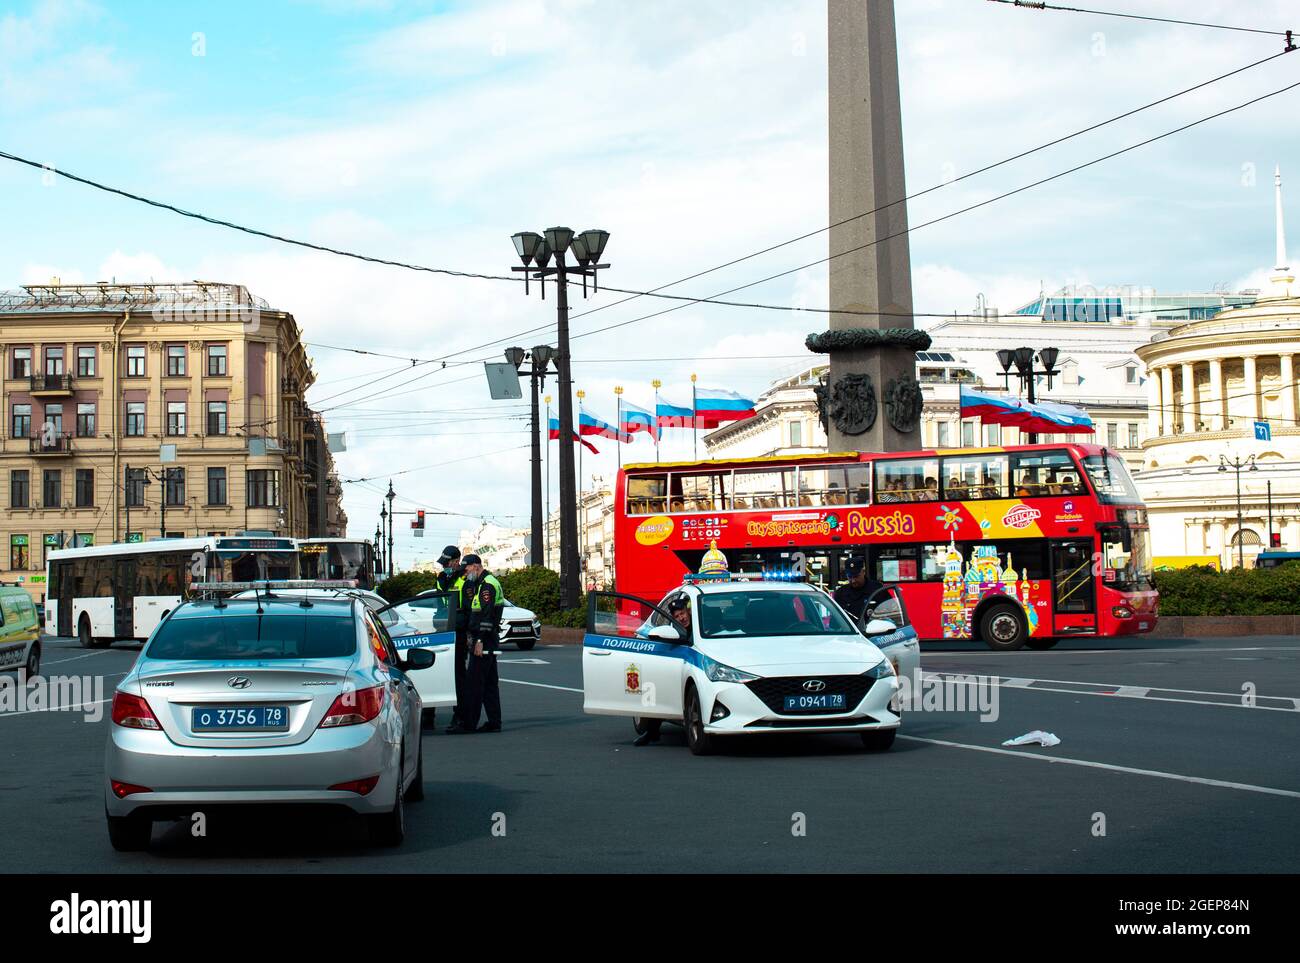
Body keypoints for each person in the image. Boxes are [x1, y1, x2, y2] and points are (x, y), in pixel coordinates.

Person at [452, 554, 504, 734]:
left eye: (466, 570)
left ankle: (468, 724)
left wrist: (479, 640)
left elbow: (487, 616)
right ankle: (494, 722)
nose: (465, 574)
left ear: (475, 566)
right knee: (489, 683)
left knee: (473, 684)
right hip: (487, 639)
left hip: (484, 639)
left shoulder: (486, 586)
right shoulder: (483, 583)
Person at [633, 596, 693, 747]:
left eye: (683, 614)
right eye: (677, 616)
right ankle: (652, 732)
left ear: (689, 612)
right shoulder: (674, 630)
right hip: (676, 667)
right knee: (656, 689)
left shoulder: (700, 626)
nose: (682, 618)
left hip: (693, 665)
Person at [434, 545, 469, 732]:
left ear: (456, 562)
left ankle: (461, 717)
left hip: (459, 632)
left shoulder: (464, 579)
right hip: (444, 630)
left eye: (447, 564)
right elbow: (439, 604)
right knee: (439, 672)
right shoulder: (441, 578)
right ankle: (428, 716)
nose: (444, 567)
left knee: (458, 676)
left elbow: (468, 608)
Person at [833, 559, 885, 624]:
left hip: (874, 631)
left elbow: (888, 613)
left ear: (863, 572)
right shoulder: (841, 593)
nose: (853, 580)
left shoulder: (877, 589)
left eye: (856, 576)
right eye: (850, 577)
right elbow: (835, 621)